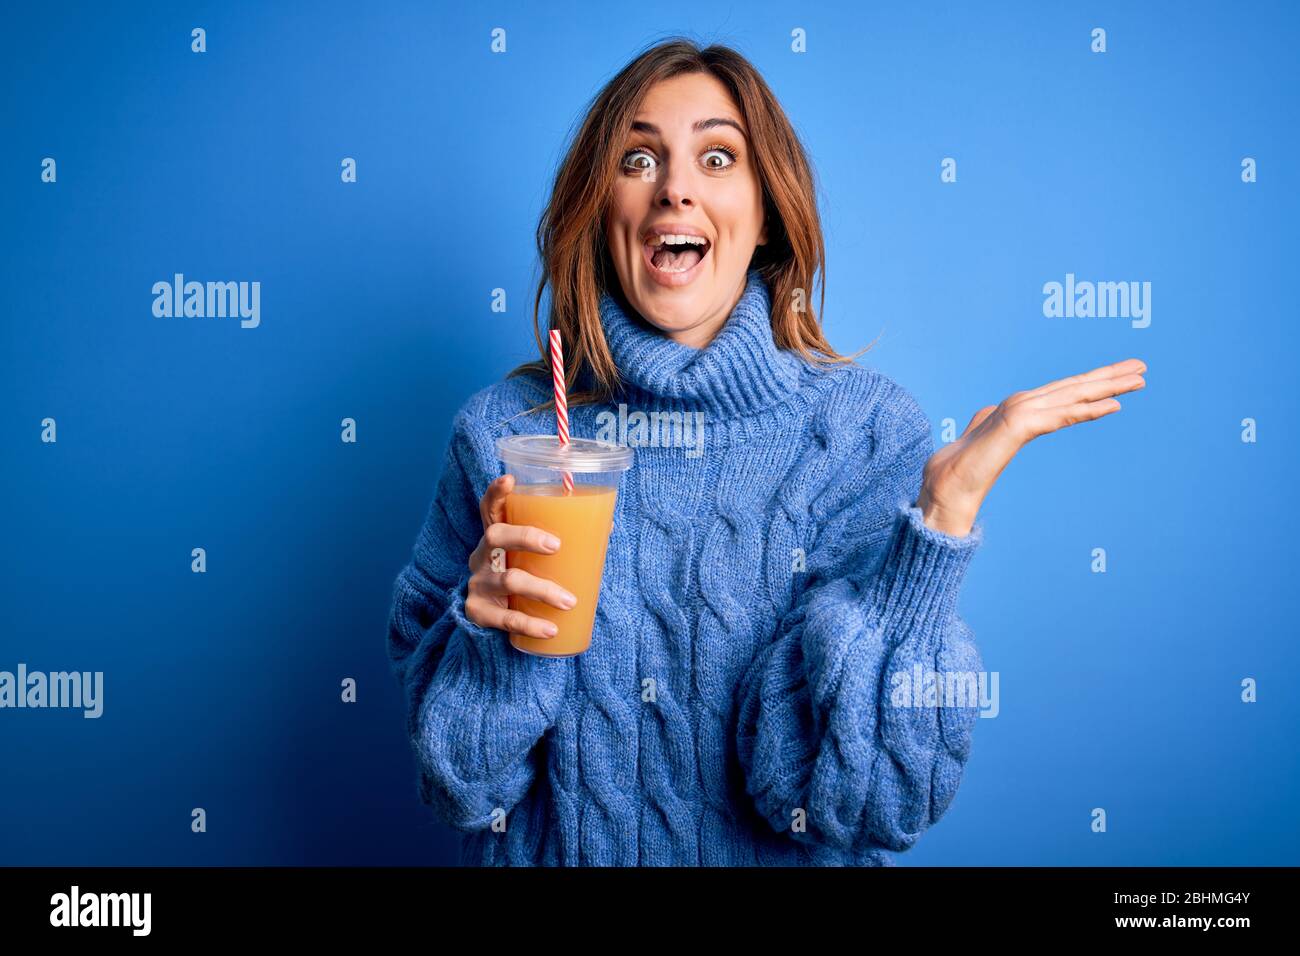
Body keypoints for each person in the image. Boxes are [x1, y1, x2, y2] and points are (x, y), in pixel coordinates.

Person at [385, 38, 1146, 866]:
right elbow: (461, 788)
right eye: (639, 159)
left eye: (717, 157)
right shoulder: (505, 434)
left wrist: (935, 530)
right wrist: (494, 644)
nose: (676, 186)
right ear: (601, 208)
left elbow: (857, 807)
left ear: (766, 214)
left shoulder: (862, 435)